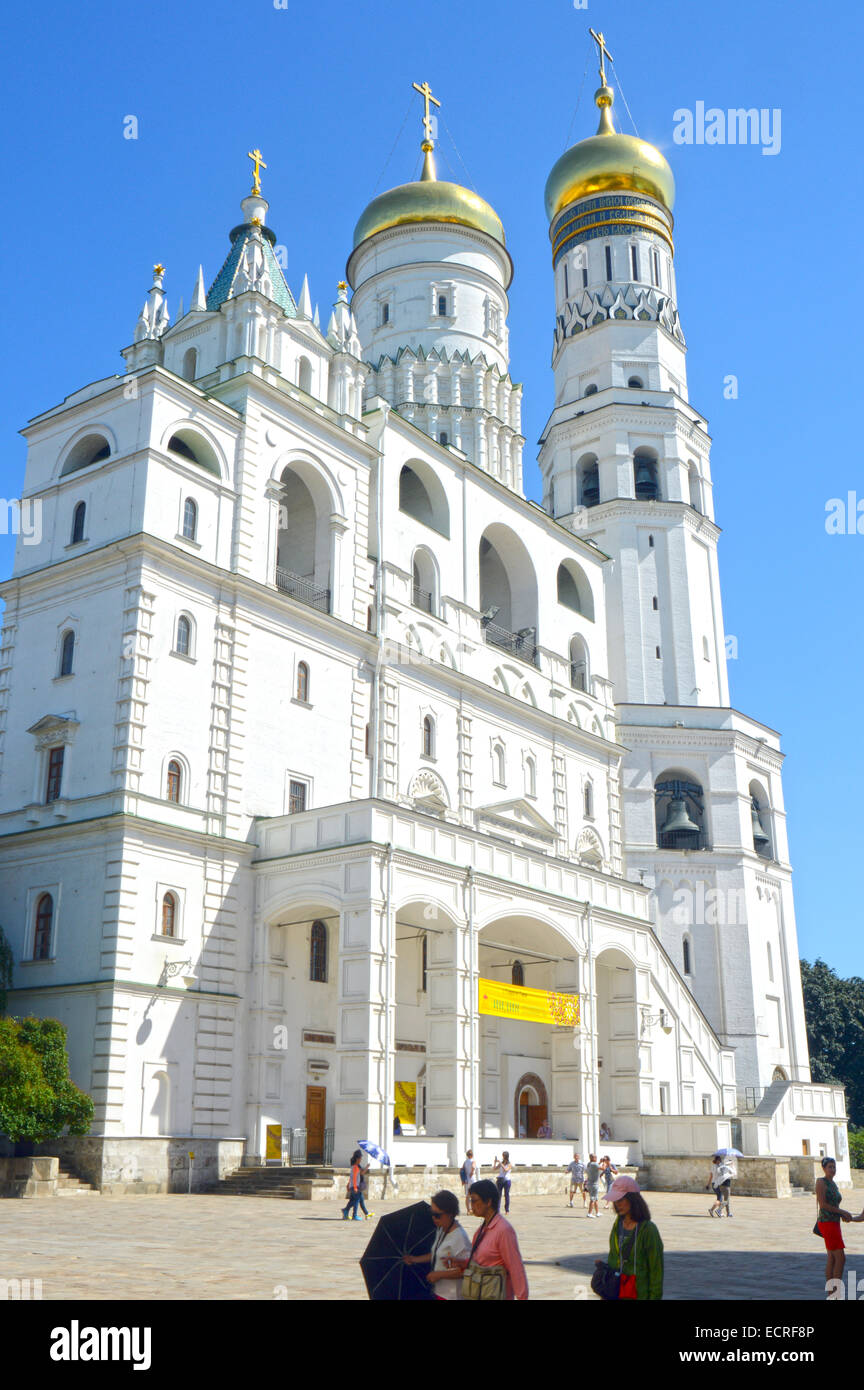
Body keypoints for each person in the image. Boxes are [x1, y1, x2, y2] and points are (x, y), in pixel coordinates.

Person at [454, 1179, 528, 1300]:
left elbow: (516, 1268)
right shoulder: (481, 1230)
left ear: (488, 1201)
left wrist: (522, 1297)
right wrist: (460, 1263)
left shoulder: (503, 1230)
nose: (471, 1205)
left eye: (474, 1200)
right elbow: (480, 1263)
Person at [596, 1175, 664, 1300]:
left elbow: (656, 1270)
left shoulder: (648, 1230)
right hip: (616, 1290)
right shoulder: (617, 1225)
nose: (617, 1205)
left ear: (633, 1200)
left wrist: (654, 1297)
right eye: (615, 1201)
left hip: (637, 1292)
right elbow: (614, 1256)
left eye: (621, 1200)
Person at [403, 1189, 472, 1300]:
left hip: (452, 1296)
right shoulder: (441, 1230)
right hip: (439, 1292)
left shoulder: (460, 1238)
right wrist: (414, 1259)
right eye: (432, 1214)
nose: (433, 1218)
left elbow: (467, 1270)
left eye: (437, 1215)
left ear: (450, 1214)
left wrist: (438, 1274)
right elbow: (436, 1254)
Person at [815, 1156, 854, 1292]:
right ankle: (835, 1290)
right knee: (840, 1258)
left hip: (834, 1222)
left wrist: (841, 1214)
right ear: (824, 1168)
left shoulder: (833, 1183)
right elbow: (823, 1204)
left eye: (834, 1167)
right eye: (830, 1167)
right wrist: (841, 1211)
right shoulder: (821, 1182)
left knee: (832, 1257)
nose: (832, 1169)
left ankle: (832, 1291)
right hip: (827, 1222)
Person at [706, 1153, 734, 1218]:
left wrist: (708, 1184)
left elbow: (711, 1176)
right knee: (720, 1198)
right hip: (717, 1183)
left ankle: (718, 1212)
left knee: (720, 1198)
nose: (720, 1161)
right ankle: (713, 1210)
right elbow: (712, 1176)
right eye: (719, 1160)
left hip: (715, 1183)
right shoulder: (719, 1167)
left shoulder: (714, 1166)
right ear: (717, 1160)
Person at [342, 1150, 365, 1221]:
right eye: (360, 1158)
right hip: (355, 1186)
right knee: (356, 1201)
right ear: (357, 1159)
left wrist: (348, 1184)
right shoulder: (355, 1167)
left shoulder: (355, 1166)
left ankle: (345, 1211)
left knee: (353, 1200)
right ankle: (354, 1215)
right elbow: (354, 1178)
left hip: (353, 1186)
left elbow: (353, 1177)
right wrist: (354, 1187)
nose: (361, 1159)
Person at [584, 1152, 601, 1218]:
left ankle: (597, 1212)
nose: (596, 1158)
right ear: (592, 1158)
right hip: (594, 1184)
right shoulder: (594, 1164)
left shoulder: (589, 1163)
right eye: (595, 1157)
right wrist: (605, 1163)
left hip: (590, 1183)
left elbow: (597, 1166)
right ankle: (589, 1213)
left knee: (595, 1199)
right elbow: (603, 1168)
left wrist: (600, 1162)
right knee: (593, 1199)